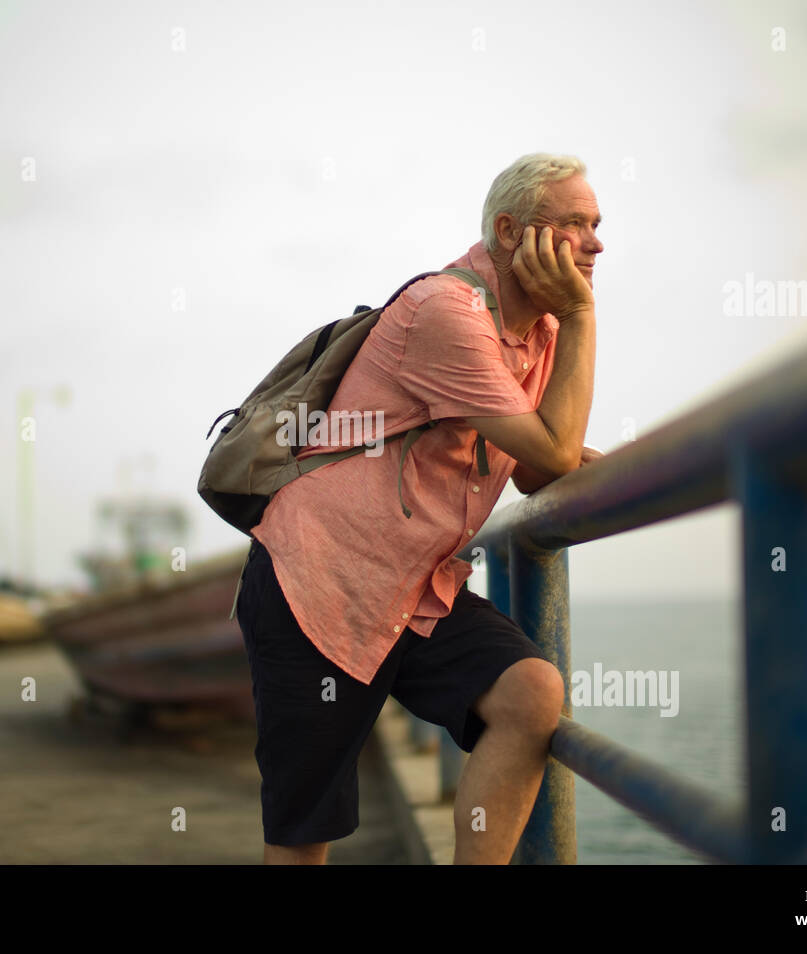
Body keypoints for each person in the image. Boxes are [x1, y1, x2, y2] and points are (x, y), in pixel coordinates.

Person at [237, 152, 605, 864]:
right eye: (573, 225)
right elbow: (555, 455)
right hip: (319, 587)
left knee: (529, 695)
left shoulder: (539, 333)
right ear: (510, 230)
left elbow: (535, 469)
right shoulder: (450, 312)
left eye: (596, 225)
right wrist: (585, 316)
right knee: (304, 838)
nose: (594, 243)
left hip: (414, 590)